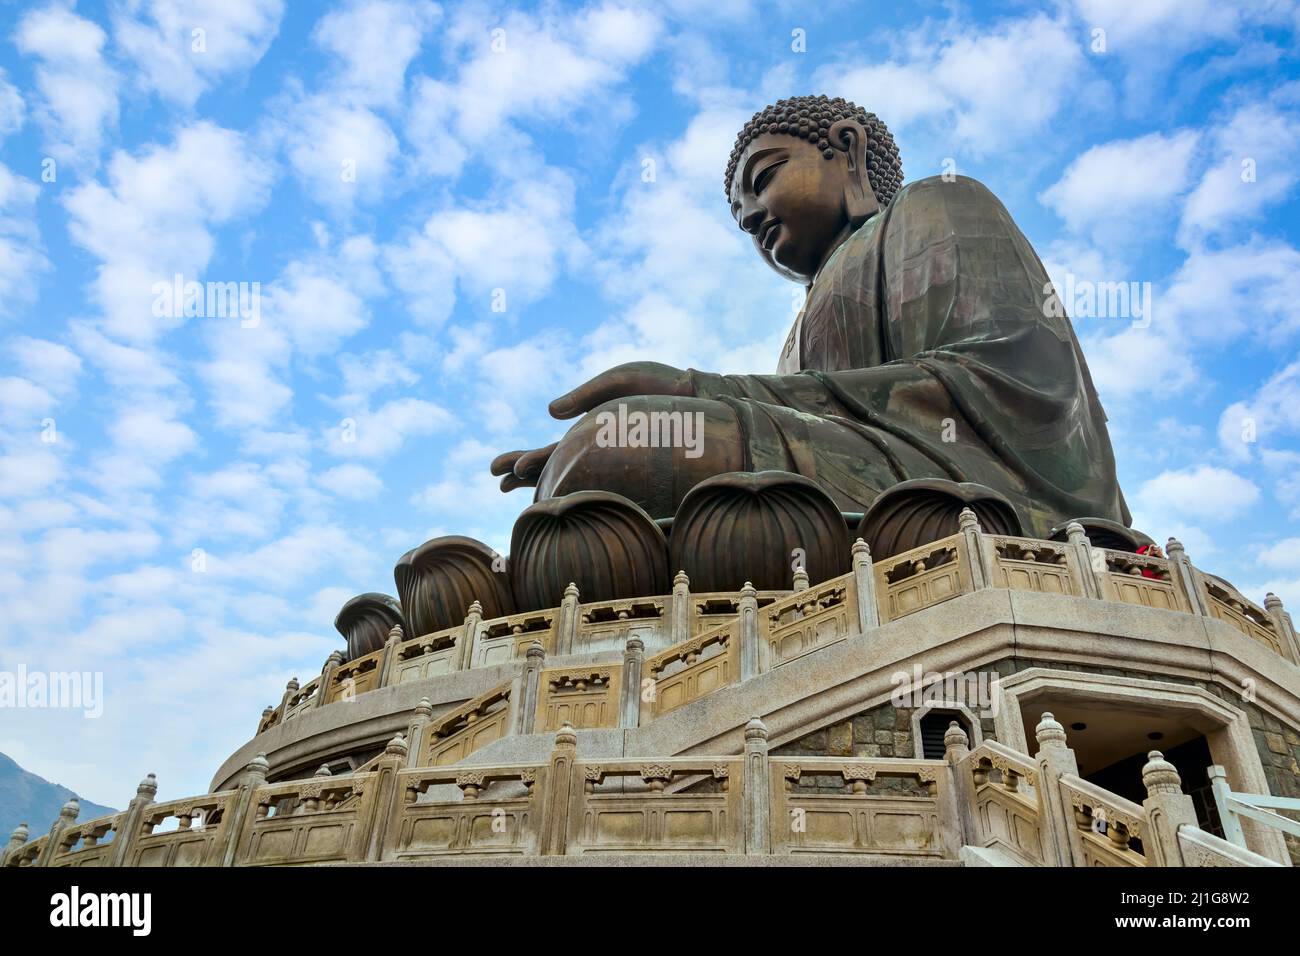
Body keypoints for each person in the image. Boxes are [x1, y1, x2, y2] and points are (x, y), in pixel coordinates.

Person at [491, 95, 1131, 539]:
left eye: (764, 178)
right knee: (609, 460)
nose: (750, 218)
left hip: (971, 492)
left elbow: (1010, 386)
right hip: (835, 490)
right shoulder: (798, 330)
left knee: (613, 444)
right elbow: (795, 427)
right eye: (740, 220)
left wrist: (693, 394)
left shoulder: (936, 204)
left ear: (846, 150)